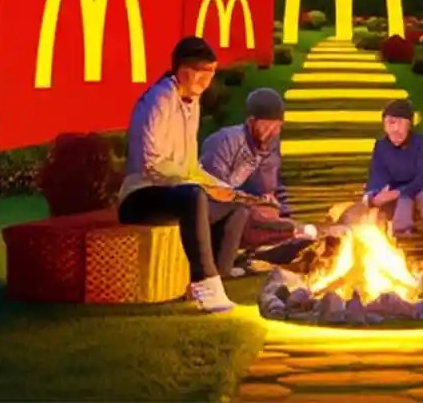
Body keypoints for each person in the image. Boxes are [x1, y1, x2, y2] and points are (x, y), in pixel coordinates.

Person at [117, 36, 248, 314]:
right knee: (192, 196)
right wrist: (195, 184)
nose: (208, 80)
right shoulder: (160, 99)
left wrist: (221, 188)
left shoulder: (192, 103)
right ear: (184, 71)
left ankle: (218, 274)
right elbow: (152, 164)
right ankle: (205, 282)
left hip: (177, 191)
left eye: (211, 72)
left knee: (235, 206)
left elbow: (190, 166)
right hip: (141, 195)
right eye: (204, 73)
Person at [199, 88, 298, 253]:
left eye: (277, 126)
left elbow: (272, 186)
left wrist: (281, 211)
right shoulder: (227, 141)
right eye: (266, 125)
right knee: (254, 219)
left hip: (246, 206)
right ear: (251, 121)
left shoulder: (271, 144)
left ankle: (266, 242)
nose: (272, 132)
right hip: (216, 209)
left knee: (285, 226)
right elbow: (214, 189)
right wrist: (251, 204)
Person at [363, 99, 423, 256]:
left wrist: (401, 194)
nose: (395, 129)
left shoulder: (419, 143)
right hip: (392, 190)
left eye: (400, 123)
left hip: (417, 187)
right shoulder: (381, 146)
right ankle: (397, 239)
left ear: (409, 125)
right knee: (382, 207)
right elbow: (377, 174)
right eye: (390, 123)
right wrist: (374, 196)